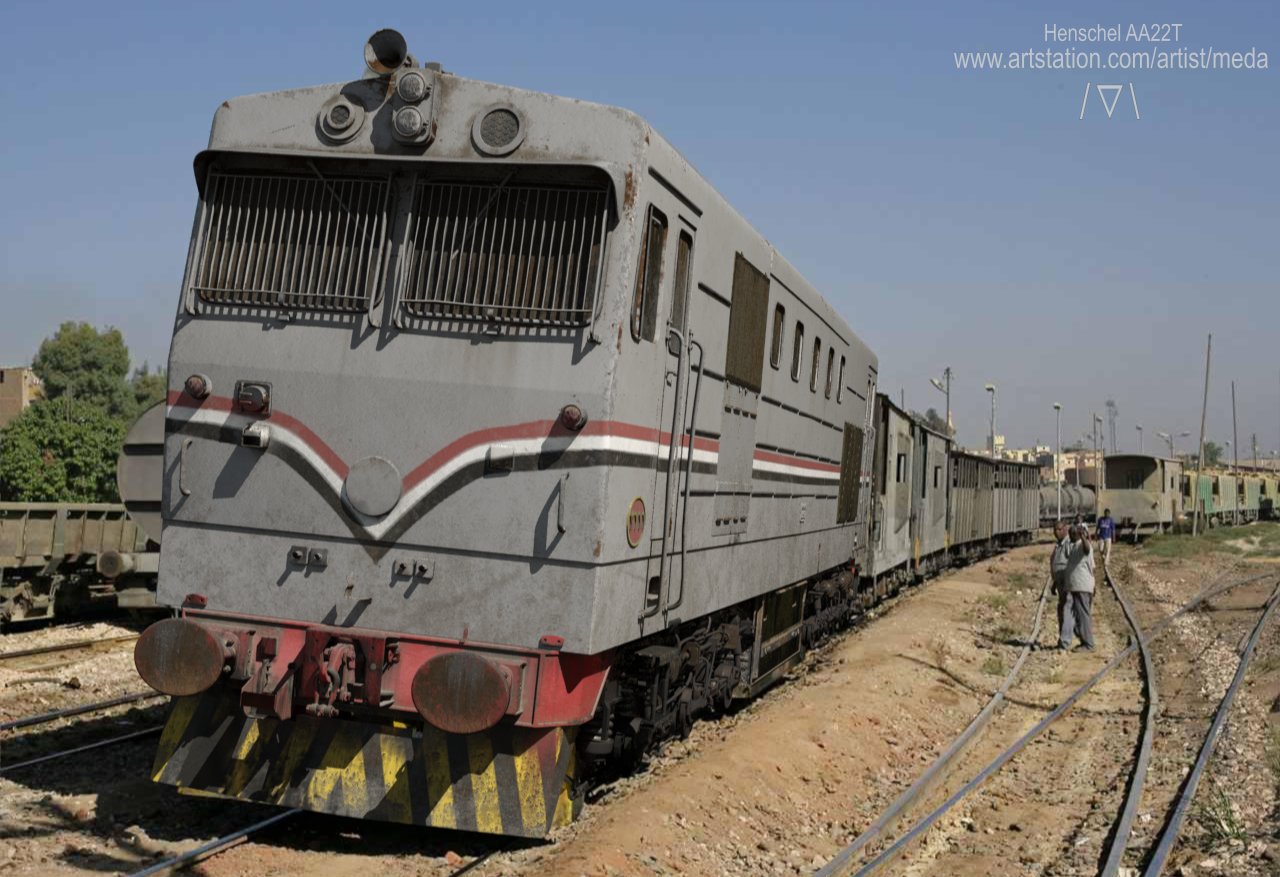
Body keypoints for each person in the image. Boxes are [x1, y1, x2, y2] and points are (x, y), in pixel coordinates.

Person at [1059, 524, 1096, 651]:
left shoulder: (1083, 545)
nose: (1069, 536)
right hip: (1077, 587)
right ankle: (1083, 640)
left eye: (1072, 534)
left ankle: (1088, 644)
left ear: (1077, 534)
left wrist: (1083, 537)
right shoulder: (1075, 545)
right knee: (1079, 615)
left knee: (1083, 615)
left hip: (1082, 587)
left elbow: (1087, 549)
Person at [1049, 521, 1071, 646]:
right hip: (1059, 582)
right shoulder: (1058, 545)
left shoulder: (1068, 544)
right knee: (1061, 609)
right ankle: (1063, 637)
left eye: (1058, 529)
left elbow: (1071, 564)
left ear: (1065, 529)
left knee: (1067, 610)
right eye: (1054, 530)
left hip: (1067, 583)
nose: (1056, 532)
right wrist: (1054, 582)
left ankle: (1066, 640)